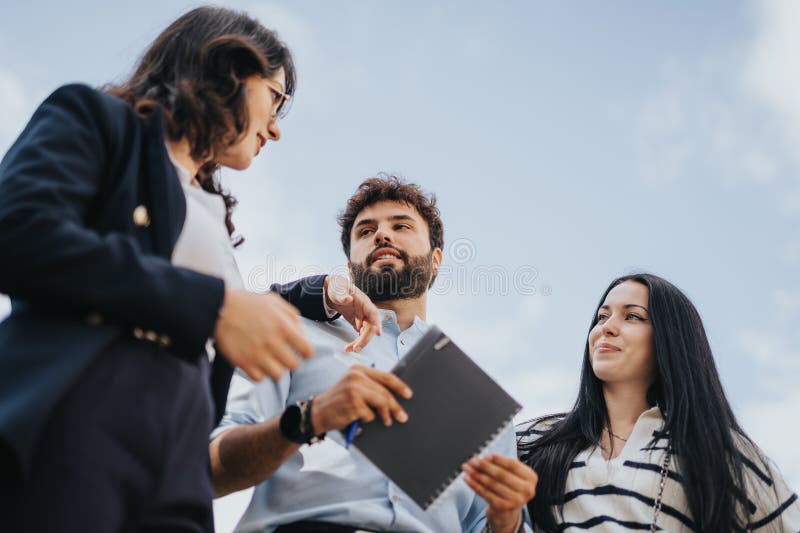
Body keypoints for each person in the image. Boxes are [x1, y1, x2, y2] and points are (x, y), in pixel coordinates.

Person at [0, 6, 379, 532]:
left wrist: (317, 292)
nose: (276, 129)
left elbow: (218, 308)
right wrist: (212, 306)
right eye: (276, 99)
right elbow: (19, 234)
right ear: (230, 69)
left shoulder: (210, 209)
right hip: (73, 440)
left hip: (175, 480)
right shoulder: (96, 119)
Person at [210, 175, 538, 533]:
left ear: (436, 260)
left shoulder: (480, 403)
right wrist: (311, 417)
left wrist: (508, 520)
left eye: (401, 225)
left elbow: (483, 524)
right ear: (349, 268)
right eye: (365, 231)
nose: (382, 235)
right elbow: (209, 469)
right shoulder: (292, 337)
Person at [517, 273, 800, 531]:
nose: (607, 328)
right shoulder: (532, 441)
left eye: (633, 317)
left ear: (669, 339)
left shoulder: (719, 451)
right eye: (602, 317)